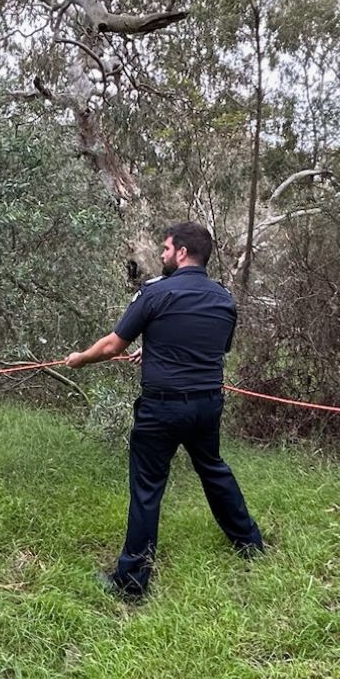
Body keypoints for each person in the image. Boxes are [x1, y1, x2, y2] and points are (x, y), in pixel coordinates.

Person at [65, 222, 264, 602]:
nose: (161, 254)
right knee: (213, 469)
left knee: (147, 488)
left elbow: (111, 346)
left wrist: (80, 359)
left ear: (182, 252)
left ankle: (131, 580)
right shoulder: (224, 299)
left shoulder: (155, 291)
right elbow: (211, 348)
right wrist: (156, 349)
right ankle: (250, 543)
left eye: (166, 248)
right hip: (207, 405)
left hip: (162, 407)